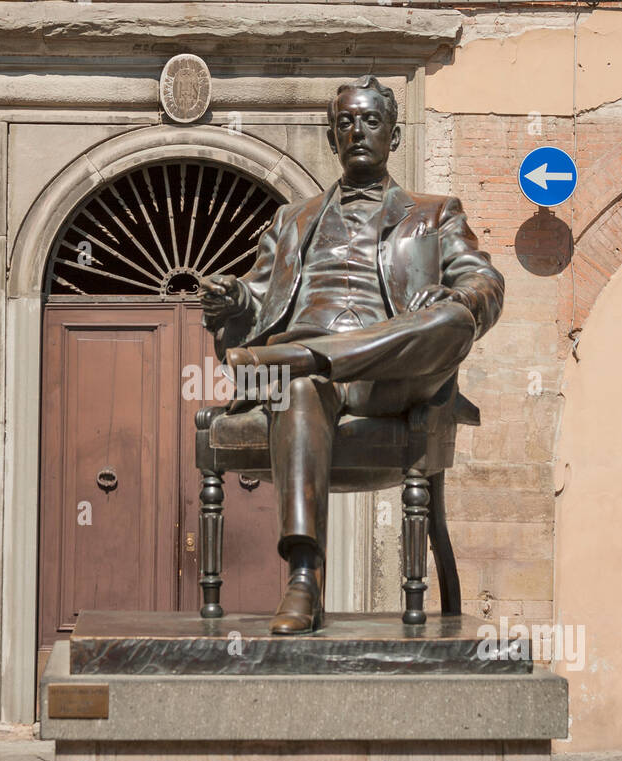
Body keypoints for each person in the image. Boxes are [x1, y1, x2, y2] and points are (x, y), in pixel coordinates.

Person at [199, 76, 504, 634]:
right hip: (307, 384)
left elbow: (485, 284)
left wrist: (455, 296)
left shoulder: (435, 213)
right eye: (345, 122)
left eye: (370, 120)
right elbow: (260, 298)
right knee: (297, 386)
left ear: (394, 134)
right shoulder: (291, 220)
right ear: (331, 137)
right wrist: (233, 298)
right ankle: (303, 580)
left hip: (394, 377)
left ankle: (310, 356)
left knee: (454, 321)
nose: (357, 130)